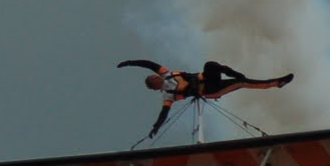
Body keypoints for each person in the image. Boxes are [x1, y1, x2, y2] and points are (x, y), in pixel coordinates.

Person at [118, 57, 293, 139]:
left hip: (209, 79)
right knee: (242, 84)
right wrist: (156, 127)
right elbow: (164, 113)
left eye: (154, 76)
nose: (156, 78)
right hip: (211, 91)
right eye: (153, 81)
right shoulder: (168, 95)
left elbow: (148, 64)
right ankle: (275, 83)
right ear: (154, 87)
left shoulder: (167, 74)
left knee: (211, 65)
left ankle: (238, 75)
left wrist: (129, 63)